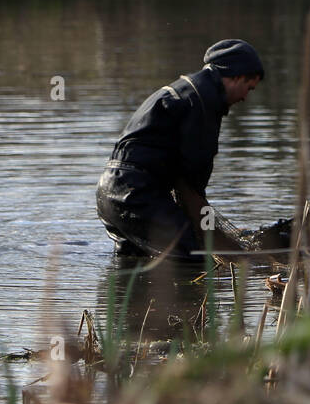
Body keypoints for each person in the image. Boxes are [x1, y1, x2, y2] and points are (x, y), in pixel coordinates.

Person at [97, 39, 263, 260]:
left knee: (133, 263)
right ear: (237, 76)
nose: (244, 97)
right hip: (137, 196)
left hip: (108, 194)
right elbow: (191, 190)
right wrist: (228, 249)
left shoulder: (185, 89)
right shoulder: (203, 102)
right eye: (248, 88)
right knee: (196, 259)